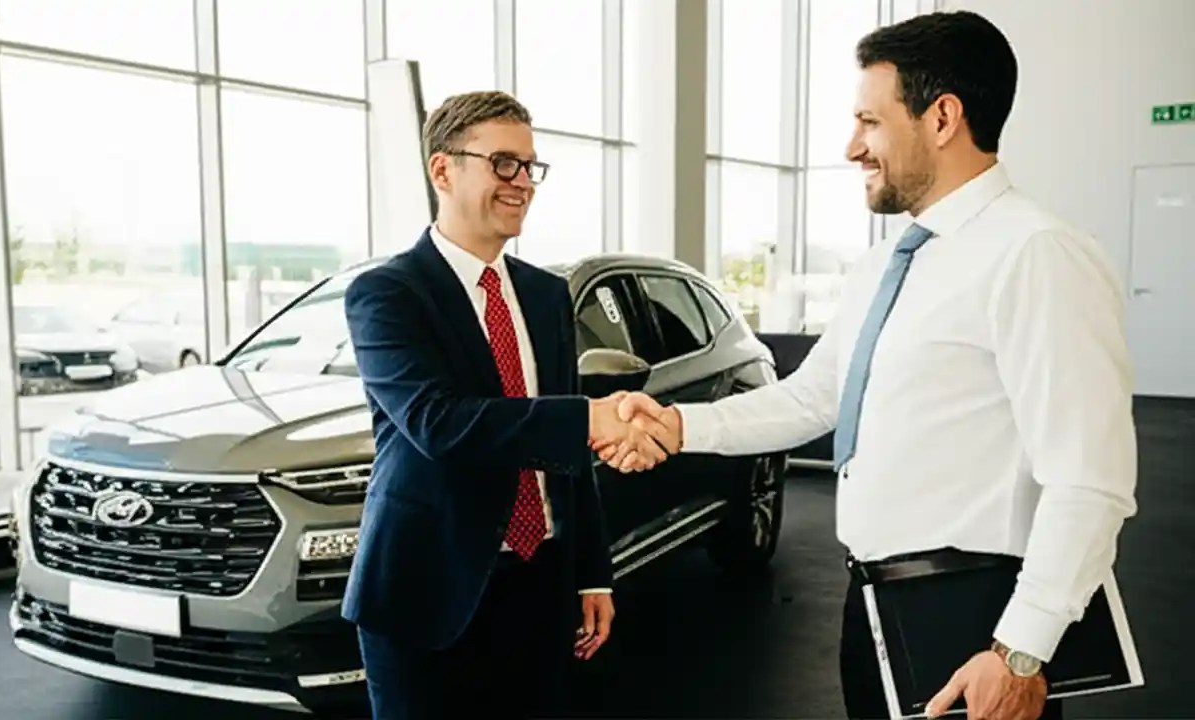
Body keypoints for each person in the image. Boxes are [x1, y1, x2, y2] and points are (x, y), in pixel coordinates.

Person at [600, 10, 1138, 720]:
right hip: (877, 610)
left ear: (942, 117)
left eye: (869, 121)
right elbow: (813, 400)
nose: (852, 147)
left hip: (976, 625)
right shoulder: (891, 261)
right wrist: (675, 424)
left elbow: (1089, 481)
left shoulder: (1036, 254)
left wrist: (1020, 650)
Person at [342, 90, 679, 719]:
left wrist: (590, 572)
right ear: (442, 169)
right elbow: (439, 424)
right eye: (504, 163)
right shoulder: (388, 294)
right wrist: (590, 417)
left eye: (529, 166)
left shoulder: (546, 295)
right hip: (427, 591)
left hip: (539, 584)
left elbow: (561, 459)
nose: (522, 182)